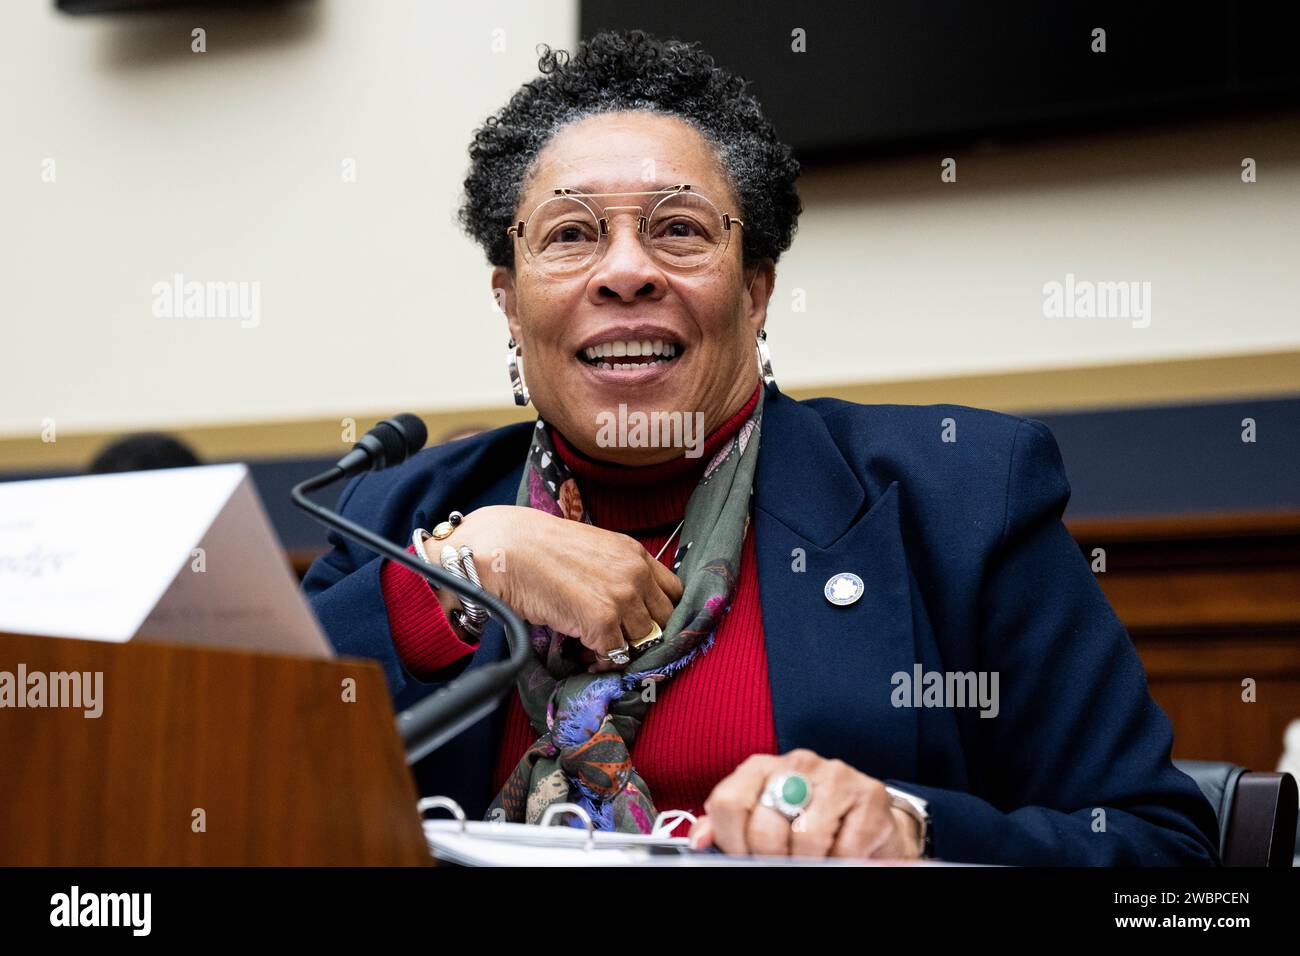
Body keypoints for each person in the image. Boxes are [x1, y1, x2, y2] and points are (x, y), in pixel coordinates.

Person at [303, 30, 1219, 864]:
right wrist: (460, 579)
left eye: (680, 230)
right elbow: (233, 782)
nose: (626, 271)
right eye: (572, 235)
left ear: (756, 291)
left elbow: (1162, 855)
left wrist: (911, 823)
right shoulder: (399, 516)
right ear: (510, 299)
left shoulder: (965, 497)